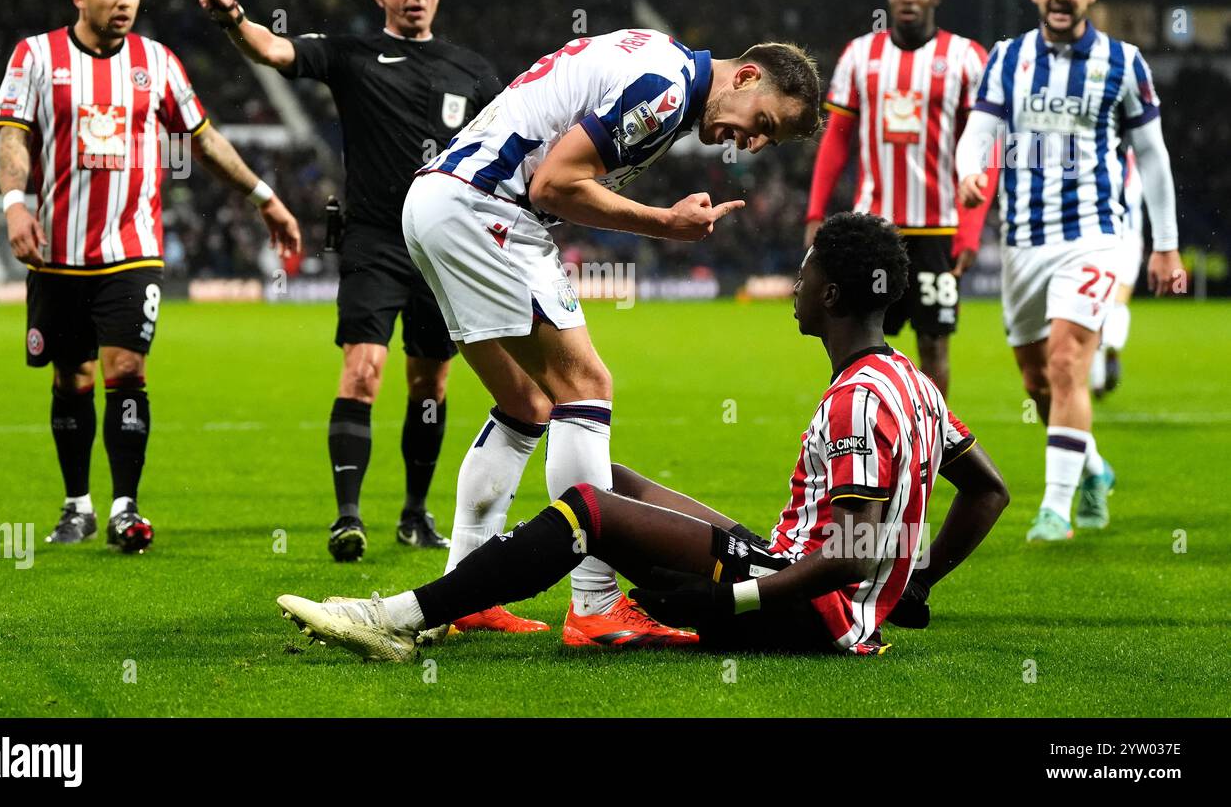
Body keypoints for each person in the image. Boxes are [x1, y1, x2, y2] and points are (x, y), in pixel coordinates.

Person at [275, 213, 1009, 661]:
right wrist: (918, 583)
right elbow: (988, 490)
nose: (795, 284)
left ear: (834, 295)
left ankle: (398, 618)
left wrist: (730, 601)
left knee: (590, 511)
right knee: (610, 482)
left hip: (810, 611)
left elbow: (851, 552)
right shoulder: (911, 383)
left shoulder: (857, 400)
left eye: (806, 272)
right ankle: (561, 607)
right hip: (799, 577)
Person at [400, 28, 822, 645]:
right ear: (747, 76)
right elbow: (552, 184)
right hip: (486, 208)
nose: (751, 143)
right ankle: (595, 603)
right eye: (762, 123)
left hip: (437, 201)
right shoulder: (667, 91)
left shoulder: (658, 57)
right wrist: (665, 224)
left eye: (767, 140)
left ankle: (468, 590)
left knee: (526, 404)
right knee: (585, 387)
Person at [198, 0, 502, 562]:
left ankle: (415, 514)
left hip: (443, 248)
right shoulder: (351, 54)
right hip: (373, 239)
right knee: (363, 371)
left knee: (430, 383)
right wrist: (234, 20)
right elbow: (274, 50)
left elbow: (505, 151)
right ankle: (347, 517)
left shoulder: (472, 72)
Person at [0, 0, 301, 552]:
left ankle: (125, 507)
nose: (124, 2)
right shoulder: (36, 56)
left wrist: (264, 195)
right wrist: (13, 204)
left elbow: (204, 141)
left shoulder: (157, 62)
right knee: (72, 376)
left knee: (127, 370)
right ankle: (77, 504)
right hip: (57, 252)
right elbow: (12, 137)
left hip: (132, 250)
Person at [955, 0, 1184, 541]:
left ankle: (1055, 510)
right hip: (1023, 241)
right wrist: (969, 172)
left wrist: (1165, 244)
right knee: (1037, 382)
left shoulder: (1123, 62)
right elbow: (977, 133)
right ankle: (1093, 468)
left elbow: (1152, 156)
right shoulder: (1007, 58)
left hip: (1094, 235)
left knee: (1066, 362)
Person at [807, 0, 996, 398]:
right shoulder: (860, 55)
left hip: (940, 229)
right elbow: (836, 140)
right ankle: (858, 425)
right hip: (874, 228)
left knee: (934, 344)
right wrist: (815, 212)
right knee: (857, 341)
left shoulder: (967, 57)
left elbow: (984, 148)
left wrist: (971, 230)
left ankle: (927, 436)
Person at [1090, 151, 1144, 397]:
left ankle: (1097, 377)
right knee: (1119, 300)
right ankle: (1113, 345)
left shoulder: (1101, 155)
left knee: (1095, 303)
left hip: (1100, 237)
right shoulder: (1138, 163)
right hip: (1130, 240)